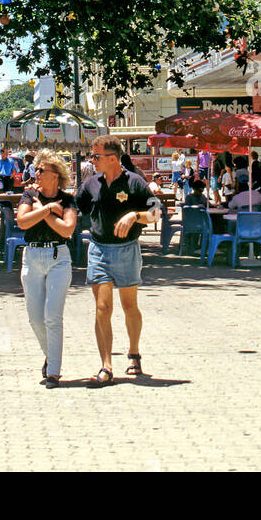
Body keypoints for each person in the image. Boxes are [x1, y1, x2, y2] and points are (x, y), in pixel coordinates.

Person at [77, 139, 156, 385]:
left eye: (96, 156)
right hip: (99, 248)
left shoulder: (135, 182)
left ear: (112, 158)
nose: (92, 160)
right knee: (102, 308)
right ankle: (106, 366)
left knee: (129, 305)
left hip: (127, 249)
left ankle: (134, 354)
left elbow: (155, 214)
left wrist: (134, 216)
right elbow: (74, 208)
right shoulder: (90, 184)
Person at [15, 151, 77, 387]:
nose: (36, 173)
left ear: (56, 176)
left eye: (41, 170)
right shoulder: (29, 194)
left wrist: (42, 211)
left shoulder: (68, 200)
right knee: (34, 317)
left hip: (58, 257)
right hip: (32, 256)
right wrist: (48, 209)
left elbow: (67, 230)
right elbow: (22, 222)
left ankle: (54, 372)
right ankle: (50, 355)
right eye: (36, 169)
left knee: (53, 316)